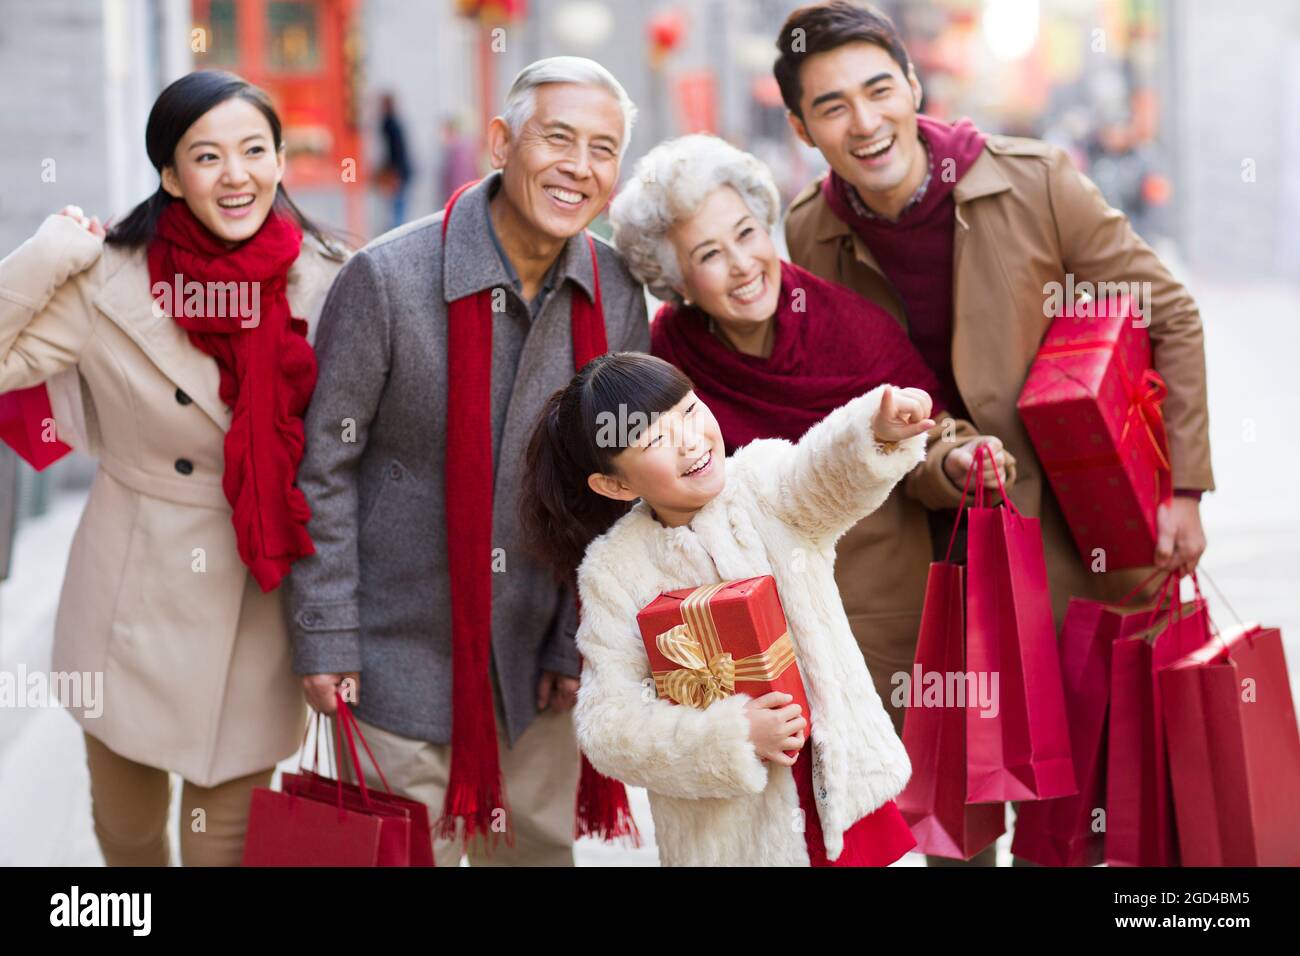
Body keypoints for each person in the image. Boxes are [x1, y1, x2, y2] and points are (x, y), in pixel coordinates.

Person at [775, 0, 1214, 864]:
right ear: (800, 127)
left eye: (877, 90)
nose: (864, 123)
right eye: (831, 107)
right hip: (928, 558)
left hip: (1070, 534)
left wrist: (1186, 490)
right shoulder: (807, 233)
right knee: (950, 809)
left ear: (913, 84)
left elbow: (1168, 310)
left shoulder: (1034, 178)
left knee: (1080, 802)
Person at [286, 56, 650, 867]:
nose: (579, 167)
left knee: (536, 855)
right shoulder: (386, 278)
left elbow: (620, 483)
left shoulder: (615, 289)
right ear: (500, 141)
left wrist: (573, 642)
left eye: (603, 149)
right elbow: (324, 467)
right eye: (558, 138)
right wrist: (325, 636)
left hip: (537, 665)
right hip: (395, 654)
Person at [0, 69, 347, 865]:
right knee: (127, 835)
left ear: (281, 159)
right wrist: (44, 253)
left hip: (258, 593)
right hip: (132, 591)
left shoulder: (326, 279)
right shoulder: (102, 280)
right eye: (208, 156)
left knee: (225, 844)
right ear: (169, 176)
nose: (236, 176)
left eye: (254, 150)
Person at [609, 133, 1012, 710]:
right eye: (709, 255)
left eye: (747, 234)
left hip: (875, 624)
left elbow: (927, 428)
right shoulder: (662, 363)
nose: (743, 264)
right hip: (746, 646)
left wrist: (957, 460)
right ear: (675, 282)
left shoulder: (846, 324)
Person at [521, 351, 930, 865]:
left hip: (841, 787)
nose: (690, 441)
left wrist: (876, 431)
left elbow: (825, 476)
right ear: (616, 485)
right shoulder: (613, 571)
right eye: (654, 440)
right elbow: (610, 726)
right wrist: (732, 736)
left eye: (689, 411)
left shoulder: (763, 485)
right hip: (730, 835)